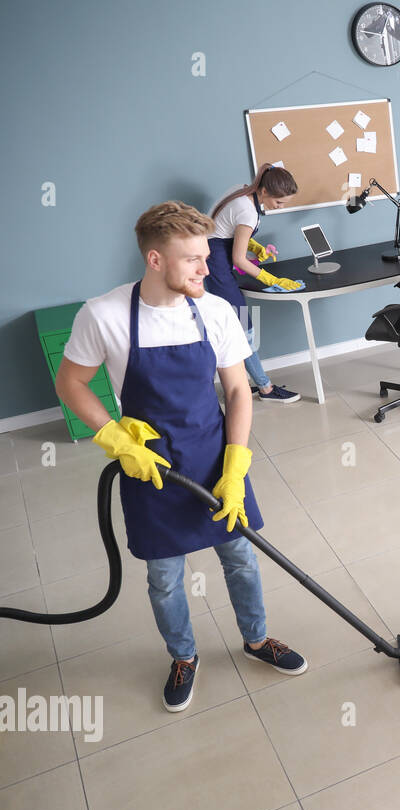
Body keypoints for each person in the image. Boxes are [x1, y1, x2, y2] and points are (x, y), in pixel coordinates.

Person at [55, 201, 308, 711]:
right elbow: (71, 383)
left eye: (205, 256)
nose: (206, 268)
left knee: (240, 555)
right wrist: (115, 439)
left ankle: (257, 640)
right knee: (165, 576)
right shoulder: (103, 316)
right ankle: (183, 656)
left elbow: (238, 391)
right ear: (154, 260)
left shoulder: (213, 310)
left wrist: (235, 466)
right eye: (193, 258)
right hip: (148, 466)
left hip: (213, 456)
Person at [207, 163, 302, 402]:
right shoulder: (247, 211)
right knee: (243, 327)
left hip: (214, 254)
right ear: (265, 192)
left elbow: (224, 227)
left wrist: (254, 245)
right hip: (214, 263)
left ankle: (235, 385)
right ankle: (265, 388)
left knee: (229, 326)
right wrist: (273, 279)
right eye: (279, 203)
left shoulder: (243, 190)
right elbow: (239, 258)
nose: (279, 208)